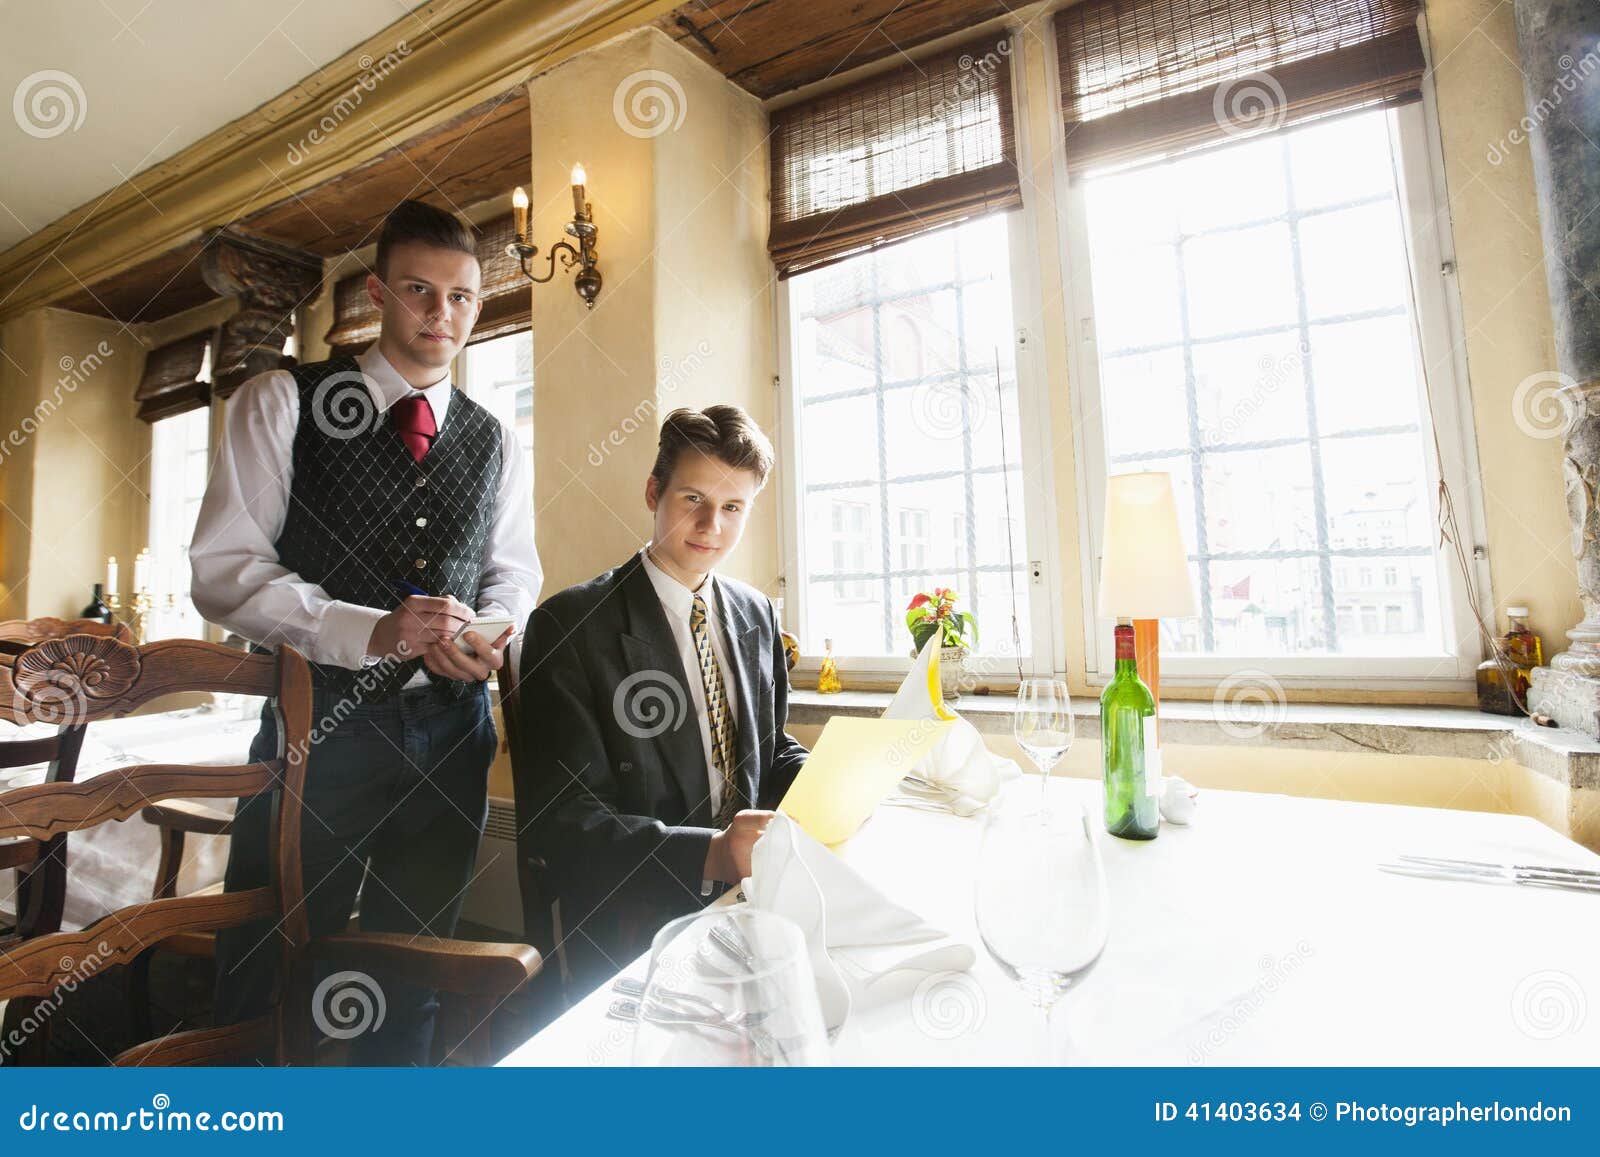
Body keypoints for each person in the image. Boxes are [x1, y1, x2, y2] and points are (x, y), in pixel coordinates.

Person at [190, 199, 541, 1064]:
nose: (441, 315)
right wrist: (366, 629)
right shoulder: (283, 399)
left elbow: (515, 574)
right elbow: (223, 568)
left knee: (413, 970)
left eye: (461, 297)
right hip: (318, 730)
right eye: (419, 290)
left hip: (455, 730)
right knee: (267, 961)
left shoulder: (497, 441)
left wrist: (490, 633)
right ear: (379, 293)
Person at [514, 405, 806, 990]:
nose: (710, 527)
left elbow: (770, 753)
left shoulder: (755, 615)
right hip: (633, 920)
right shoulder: (571, 626)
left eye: (732, 508)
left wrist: (834, 783)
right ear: (654, 492)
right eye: (691, 500)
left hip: (754, 903)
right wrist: (712, 853)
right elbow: (567, 822)